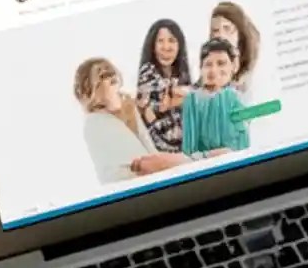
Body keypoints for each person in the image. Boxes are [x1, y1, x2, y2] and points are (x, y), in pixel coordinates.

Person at [73, 58, 220, 183]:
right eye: (102, 75)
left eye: (111, 72)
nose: (111, 76)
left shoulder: (128, 110)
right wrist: (203, 159)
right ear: (91, 89)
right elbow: (146, 165)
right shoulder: (95, 124)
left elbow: (153, 156)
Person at [181, 39, 250, 155]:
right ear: (201, 68)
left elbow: (243, 146)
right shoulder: (192, 100)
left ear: (233, 66)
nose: (214, 70)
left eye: (221, 63)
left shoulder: (237, 99)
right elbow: (189, 150)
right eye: (208, 64)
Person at [136, 19, 192, 153]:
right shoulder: (147, 72)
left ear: (179, 46)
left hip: (186, 149)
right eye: (160, 41)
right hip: (162, 150)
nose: (166, 47)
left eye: (171, 41)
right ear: (153, 47)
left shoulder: (181, 75)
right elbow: (159, 108)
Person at [210, 1, 260, 95]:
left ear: (240, 34)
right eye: (215, 30)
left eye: (227, 28)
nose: (221, 35)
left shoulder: (253, 72)